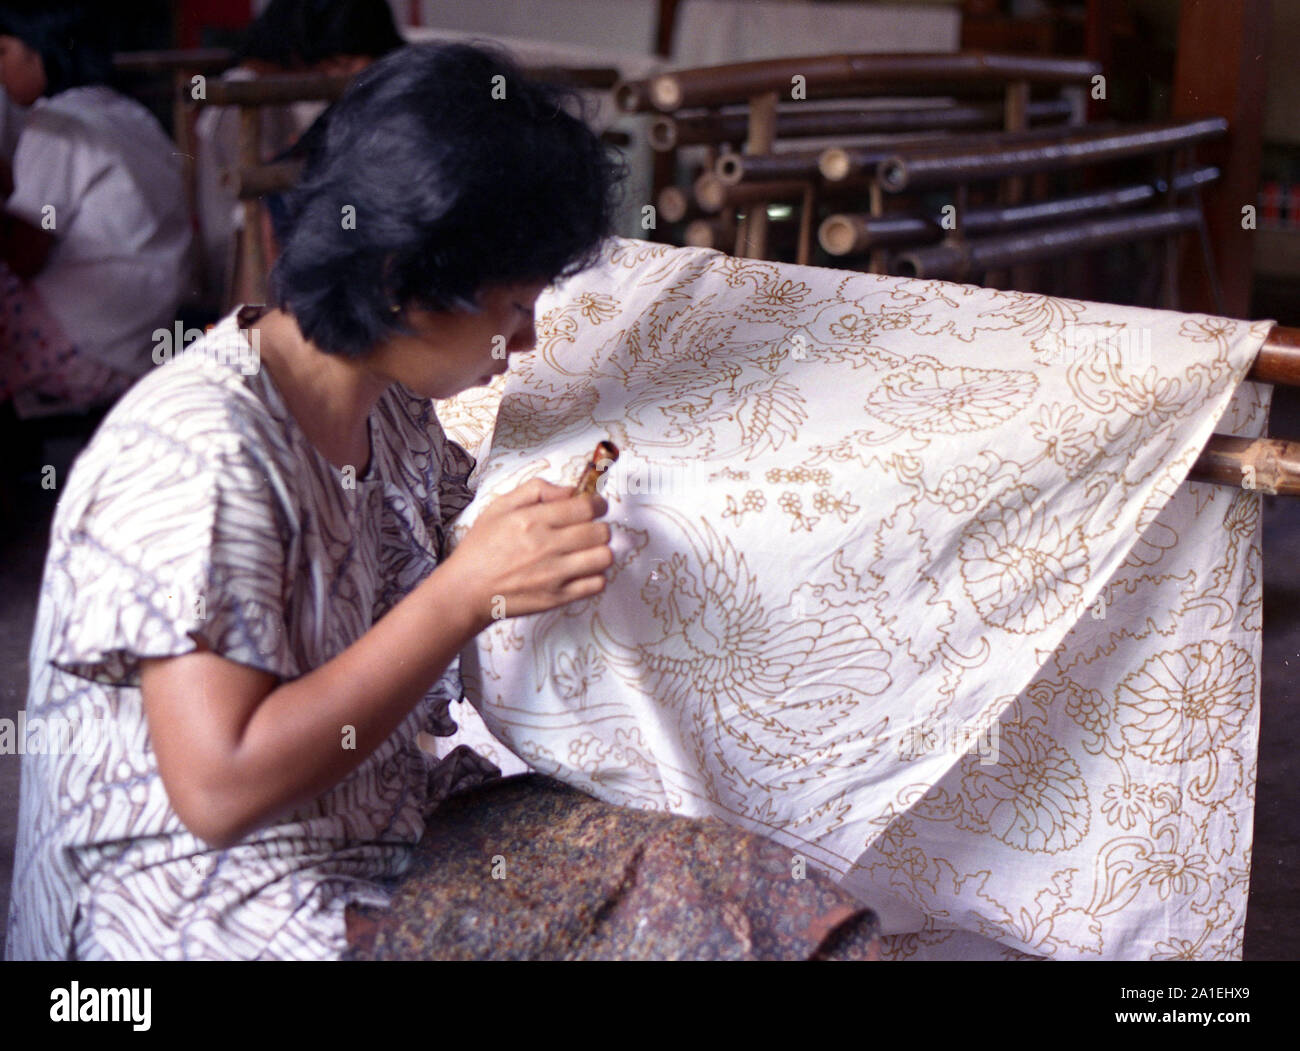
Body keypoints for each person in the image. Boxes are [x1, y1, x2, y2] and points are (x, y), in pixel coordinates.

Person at [6, 40, 623, 960]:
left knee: (709, 873)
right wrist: (462, 594)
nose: (527, 342)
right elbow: (218, 788)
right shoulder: (203, 454)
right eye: (511, 310)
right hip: (187, 906)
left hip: (370, 826)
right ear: (401, 287)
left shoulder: (395, 406)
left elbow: (449, 542)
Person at [0, 2, 192, 417]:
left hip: (90, 346)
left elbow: (26, 256)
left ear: (41, 52)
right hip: (144, 333)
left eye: (3, 53)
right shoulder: (127, 113)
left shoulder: (58, 124)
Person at [195, 0, 404, 306]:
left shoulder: (397, 90)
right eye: (328, 67)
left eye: (344, 65)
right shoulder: (249, 98)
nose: (335, 77)